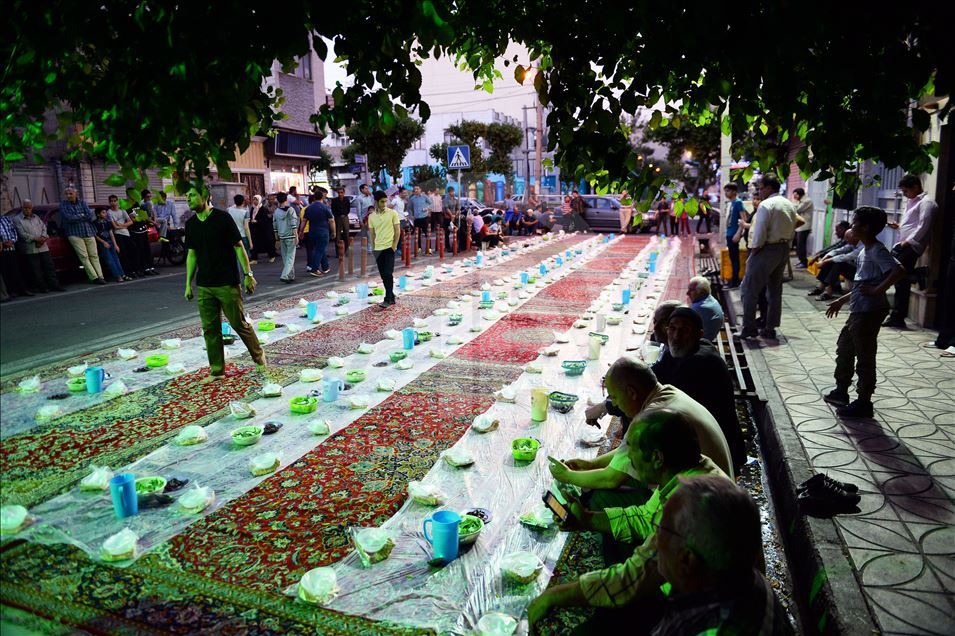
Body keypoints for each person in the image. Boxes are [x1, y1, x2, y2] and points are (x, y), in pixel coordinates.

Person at [528, 409, 731, 633]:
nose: (627, 457)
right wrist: (587, 520)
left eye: (631, 448)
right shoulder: (691, 471)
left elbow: (633, 578)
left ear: (656, 458)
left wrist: (553, 596)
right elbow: (646, 518)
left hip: (698, 615)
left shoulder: (687, 507)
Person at [549, 358, 734, 505]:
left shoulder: (652, 416)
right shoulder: (666, 393)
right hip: (719, 488)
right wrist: (590, 464)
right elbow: (628, 452)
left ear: (632, 393)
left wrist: (567, 477)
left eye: (614, 397)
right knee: (628, 472)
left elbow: (610, 479)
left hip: (704, 506)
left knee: (599, 496)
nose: (614, 404)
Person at [652, 475, 794, 636]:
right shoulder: (741, 575)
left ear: (687, 559)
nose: (655, 538)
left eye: (659, 528)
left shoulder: (717, 629)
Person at [824, 206, 906, 418]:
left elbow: (899, 271)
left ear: (866, 227)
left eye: (855, 222)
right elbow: (862, 284)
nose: (851, 226)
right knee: (845, 348)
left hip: (869, 311)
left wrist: (878, 290)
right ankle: (841, 390)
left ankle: (863, 401)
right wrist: (841, 300)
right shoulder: (864, 250)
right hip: (858, 309)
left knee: (864, 355)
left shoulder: (877, 250)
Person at [183, 188, 265, 381]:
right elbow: (192, 255)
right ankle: (217, 370)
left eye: (192, 194)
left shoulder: (222, 218)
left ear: (205, 196)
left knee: (238, 323)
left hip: (227, 282)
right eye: (187, 196)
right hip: (204, 285)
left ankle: (259, 356)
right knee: (210, 329)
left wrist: (248, 274)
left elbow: (238, 246)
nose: (188, 198)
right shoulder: (191, 224)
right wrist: (188, 284)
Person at [653, 307, 746, 472]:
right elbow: (657, 372)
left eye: (684, 330)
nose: (676, 335)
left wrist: (609, 406)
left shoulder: (700, 361)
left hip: (715, 452)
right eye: (672, 328)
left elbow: (660, 399)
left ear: (699, 334)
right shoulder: (686, 349)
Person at [739, 174, 802, 339]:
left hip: (766, 249)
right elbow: (796, 222)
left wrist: (755, 250)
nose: (759, 191)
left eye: (761, 188)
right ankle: (770, 328)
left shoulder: (766, 205)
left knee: (748, 289)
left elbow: (760, 231)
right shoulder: (789, 203)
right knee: (775, 291)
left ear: (768, 188)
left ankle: (749, 328)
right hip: (783, 249)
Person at [883, 173, 938, 329]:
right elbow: (912, 225)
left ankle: (898, 316)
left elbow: (923, 227)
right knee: (900, 280)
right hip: (904, 244)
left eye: (906, 191)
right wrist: (899, 228)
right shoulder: (913, 201)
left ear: (915, 187)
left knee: (899, 278)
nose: (905, 195)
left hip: (911, 247)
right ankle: (897, 315)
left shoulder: (927, 203)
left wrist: (906, 243)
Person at [13, 201, 64, 292]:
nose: (28, 210)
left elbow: (44, 228)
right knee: (36, 270)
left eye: (29, 208)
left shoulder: (36, 217)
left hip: (43, 246)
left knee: (49, 267)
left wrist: (43, 238)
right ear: (22, 207)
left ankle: (55, 285)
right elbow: (22, 234)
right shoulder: (17, 219)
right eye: (25, 208)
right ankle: (43, 287)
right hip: (31, 248)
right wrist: (36, 239)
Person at [59, 187, 105, 284]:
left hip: (88, 231)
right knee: (84, 256)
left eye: (70, 193)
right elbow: (68, 218)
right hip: (74, 234)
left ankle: (101, 276)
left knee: (94, 255)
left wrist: (78, 216)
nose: (68, 196)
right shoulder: (63, 205)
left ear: (76, 194)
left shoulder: (82, 202)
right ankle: (94, 277)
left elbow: (89, 215)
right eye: (67, 194)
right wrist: (81, 215)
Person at [368, 190, 401, 308]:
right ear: (376, 202)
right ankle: (391, 296)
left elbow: (397, 231)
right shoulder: (371, 216)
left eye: (385, 201)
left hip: (389, 248)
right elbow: (371, 234)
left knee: (388, 273)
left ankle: (387, 298)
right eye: (382, 202)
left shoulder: (392, 213)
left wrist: (394, 246)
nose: (384, 204)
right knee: (383, 275)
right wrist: (373, 247)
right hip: (378, 249)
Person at [810, 228, 861, 301]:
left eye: (847, 238)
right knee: (831, 260)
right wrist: (823, 259)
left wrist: (826, 261)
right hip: (854, 271)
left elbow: (846, 257)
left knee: (838, 263)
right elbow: (837, 250)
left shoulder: (862, 246)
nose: (846, 240)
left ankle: (828, 292)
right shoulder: (852, 244)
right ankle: (821, 288)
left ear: (855, 237)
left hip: (860, 275)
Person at [300, 192, 335, 276]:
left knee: (320, 248)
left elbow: (304, 221)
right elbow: (331, 221)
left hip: (312, 232)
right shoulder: (325, 207)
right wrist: (334, 231)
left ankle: (325, 267)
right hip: (323, 231)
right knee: (319, 250)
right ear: (322, 198)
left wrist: (301, 231)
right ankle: (314, 268)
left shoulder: (309, 208)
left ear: (314, 197)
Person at [0, 213, 32, 297]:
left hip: (12, 248)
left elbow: (14, 231)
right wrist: (3, 243)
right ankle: (10, 292)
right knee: (5, 272)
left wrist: (12, 241)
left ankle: (22, 290)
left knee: (16, 270)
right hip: (2, 250)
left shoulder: (6, 219)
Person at [92, 207, 128, 282]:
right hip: (103, 243)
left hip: (110, 242)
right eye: (103, 212)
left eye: (105, 212)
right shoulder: (95, 223)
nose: (105, 214)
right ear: (98, 214)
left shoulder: (107, 222)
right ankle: (117, 276)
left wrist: (115, 245)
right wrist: (103, 242)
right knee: (110, 260)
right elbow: (95, 235)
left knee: (116, 259)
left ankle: (122, 274)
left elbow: (111, 233)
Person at [686, 276, 724, 341]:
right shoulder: (710, 299)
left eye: (691, 290)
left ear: (701, 292)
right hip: (710, 336)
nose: (687, 293)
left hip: (700, 343)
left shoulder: (699, 308)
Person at [272, 192, 299, 283]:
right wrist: (296, 236)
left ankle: (290, 275)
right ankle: (285, 275)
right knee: (290, 257)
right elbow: (293, 224)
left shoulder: (276, 211)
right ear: (286, 199)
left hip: (281, 237)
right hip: (290, 236)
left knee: (285, 257)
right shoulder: (290, 210)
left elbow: (274, 226)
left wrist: (277, 239)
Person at [723, 184, 746, 287]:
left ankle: (735, 280)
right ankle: (733, 279)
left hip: (734, 234)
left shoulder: (738, 203)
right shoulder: (730, 203)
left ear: (733, 191)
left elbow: (743, 219)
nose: (726, 193)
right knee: (732, 257)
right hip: (729, 233)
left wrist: (739, 233)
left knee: (735, 258)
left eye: (727, 191)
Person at [128, 202, 158, 276]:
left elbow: (146, 217)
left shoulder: (141, 206)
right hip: (135, 232)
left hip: (144, 231)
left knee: (147, 250)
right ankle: (143, 268)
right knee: (139, 251)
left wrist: (153, 222)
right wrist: (134, 217)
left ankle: (150, 267)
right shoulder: (128, 208)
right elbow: (131, 219)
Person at [249, 195, 276, 264]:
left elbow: (265, 220)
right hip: (255, 229)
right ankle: (254, 259)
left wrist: (257, 221)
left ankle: (272, 256)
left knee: (267, 243)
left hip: (263, 230)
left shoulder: (263, 209)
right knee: (254, 243)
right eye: (254, 200)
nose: (255, 201)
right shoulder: (252, 208)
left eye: (256, 200)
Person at [792, 187, 814, 268]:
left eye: (795, 195)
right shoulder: (801, 201)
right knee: (798, 245)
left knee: (801, 245)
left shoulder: (807, 201)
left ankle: (804, 263)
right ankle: (801, 260)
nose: (794, 197)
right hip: (800, 226)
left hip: (804, 227)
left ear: (799, 194)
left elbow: (797, 209)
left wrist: (794, 202)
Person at [408, 185, 432, 253]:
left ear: (420, 189)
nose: (416, 190)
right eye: (415, 189)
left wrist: (427, 208)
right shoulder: (412, 199)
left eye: (417, 189)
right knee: (417, 234)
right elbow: (409, 208)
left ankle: (429, 248)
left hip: (425, 217)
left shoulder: (424, 196)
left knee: (427, 233)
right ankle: (418, 248)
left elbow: (431, 203)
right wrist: (411, 216)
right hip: (417, 219)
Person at [354, 184, 376, 253]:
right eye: (366, 188)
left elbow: (374, 202)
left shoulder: (370, 196)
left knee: (371, 233)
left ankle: (371, 248)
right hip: (364, 218)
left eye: (367, 188)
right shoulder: (359, 198)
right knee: (364, 235)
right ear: (362, 190)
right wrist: (360, 220)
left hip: (372, 217)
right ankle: (365, 248)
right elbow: (358, 210)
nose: (367, 190)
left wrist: (371, 194)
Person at [330, 186, 351, 259]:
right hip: (337, 218)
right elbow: (333, 209)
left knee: (346, 234)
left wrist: (345, 214)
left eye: (341, 193)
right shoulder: (334, 200)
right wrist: (337, 215)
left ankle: (347, 251)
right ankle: (338, 252)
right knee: (337, 236)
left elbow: (348, 209)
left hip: (345, 217)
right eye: (339, 193)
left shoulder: (346, 200)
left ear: (344, 193)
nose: (340, 194)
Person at [442, 186, 460, 251]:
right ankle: (447, 247)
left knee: (456, 231)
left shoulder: (455, 199)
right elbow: (446, 209)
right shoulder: (446, 200)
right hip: (448, 218)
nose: (453, 192)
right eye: (452, 191)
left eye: (453, 191)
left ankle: (455, 246)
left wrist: (455, 215)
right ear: (449, 192)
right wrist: (451, 215)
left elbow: (458, 208)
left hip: (455, 218)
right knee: (447, 233)